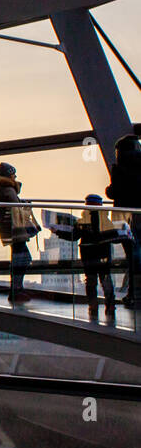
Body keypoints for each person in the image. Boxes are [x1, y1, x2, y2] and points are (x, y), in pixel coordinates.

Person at [0, 161, 39, 304]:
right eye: (13, 174)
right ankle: (16, 290)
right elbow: (17, 209)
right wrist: (26, 205)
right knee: (23, 258)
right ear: (9, 175)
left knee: (19, 257)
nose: (15, 177)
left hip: (7, 228)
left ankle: (16, 289)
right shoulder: (8, 190)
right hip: (16, 229)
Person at [106, 133, 141, 307]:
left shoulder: (120, 169)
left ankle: (134, 294)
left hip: (125, 218)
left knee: (133, 255)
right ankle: (136, 294)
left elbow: (114, 192)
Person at [74, 194, 120, 319]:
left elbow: (73, 236)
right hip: (103, 255)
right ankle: (110, 306)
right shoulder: (106, 221)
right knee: (106, 280)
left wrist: (57, 231)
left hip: (88, 255)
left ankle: (93, 306)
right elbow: (115, 237)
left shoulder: (82, 221)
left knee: (91, 281)